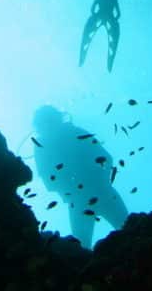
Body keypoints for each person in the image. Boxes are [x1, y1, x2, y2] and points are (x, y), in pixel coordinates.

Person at [30, 105, 128, 248]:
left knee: (129, 233)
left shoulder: (68, 135)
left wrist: (95, 186)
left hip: (88, 197)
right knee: (128, 233)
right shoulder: (45, 145)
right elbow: (106, 158)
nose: (49, 126)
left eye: (49, 121)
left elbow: (106, 158)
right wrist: (100, 183)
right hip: (90, 196)